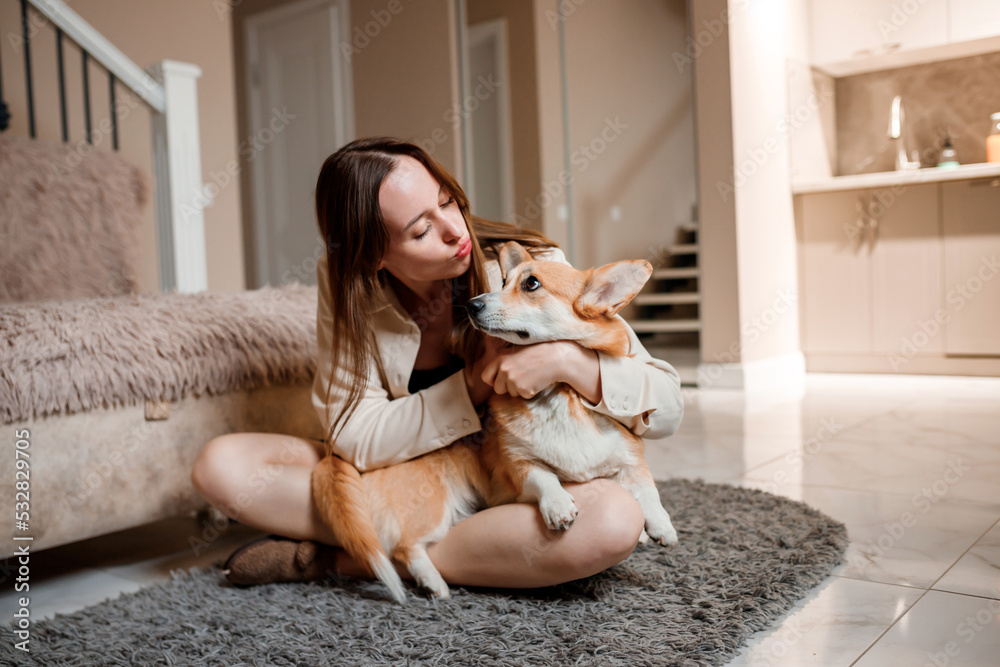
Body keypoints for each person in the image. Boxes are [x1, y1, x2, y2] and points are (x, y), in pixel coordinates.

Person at [190, 136, 685, 589]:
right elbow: (353, 434)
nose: (455, 230)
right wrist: (471, 386)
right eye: (422, 229)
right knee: (221, 468)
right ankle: (455, 544)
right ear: (371, 257)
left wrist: (568, 362)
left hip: (511, 480)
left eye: (447, 200)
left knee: (614, 521)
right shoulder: (347, 284)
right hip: (410, 468)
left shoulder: (527, 268)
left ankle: (346, 558)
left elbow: (666, 406)